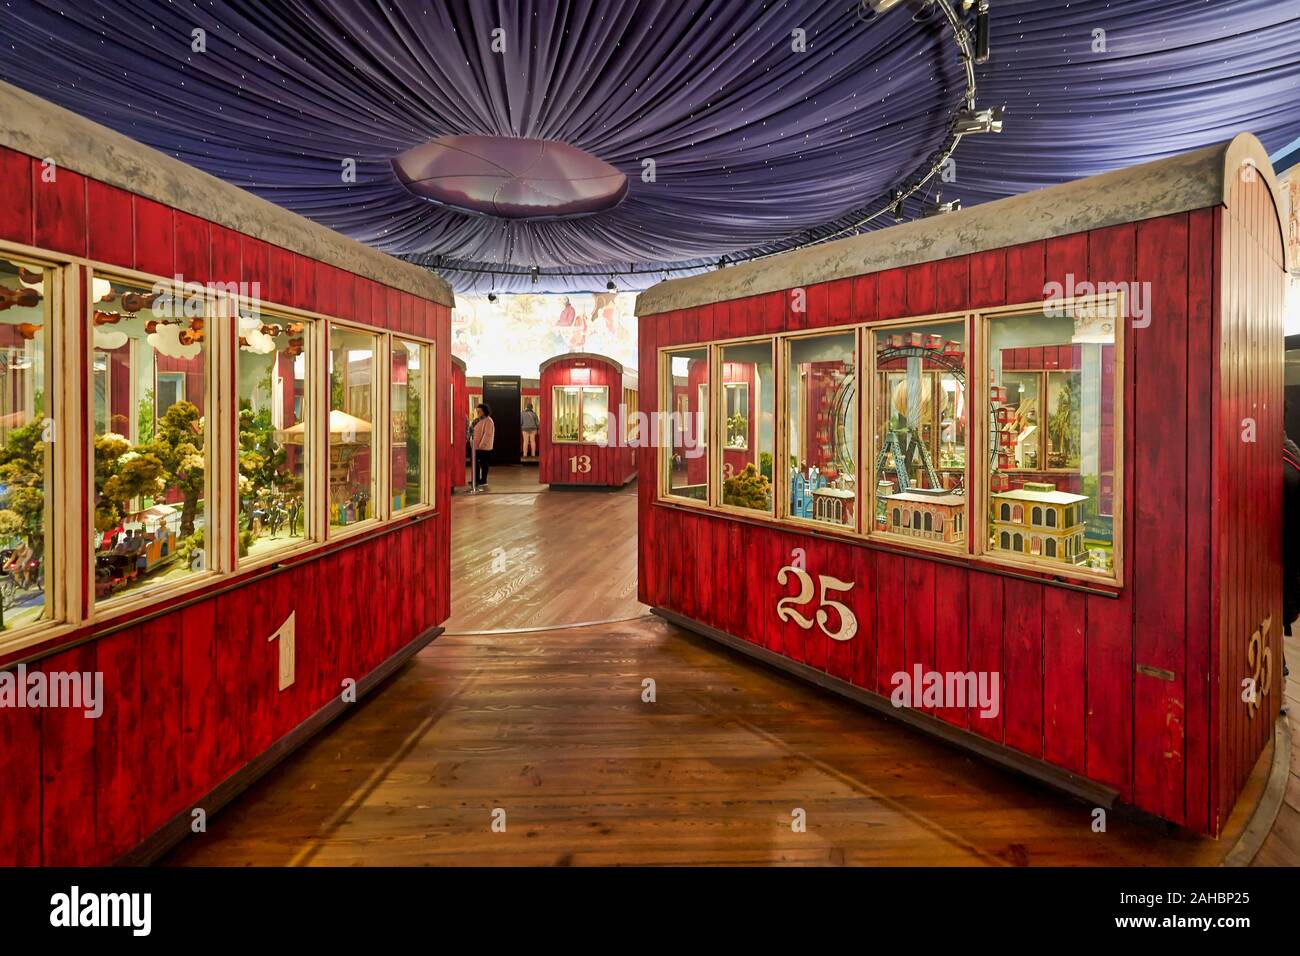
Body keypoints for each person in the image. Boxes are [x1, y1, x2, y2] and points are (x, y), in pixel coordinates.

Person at [472, 402, 495, 487]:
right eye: (477, 411)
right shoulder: (478, 420)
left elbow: (487, 435)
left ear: (484, 411)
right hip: (476, 446)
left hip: (484, 447)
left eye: (479, 411)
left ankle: (483, 480)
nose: (478, 413)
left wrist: (481, 445)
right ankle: (476, 479)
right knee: (475, 463)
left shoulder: (489, 421)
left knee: (483, 464)